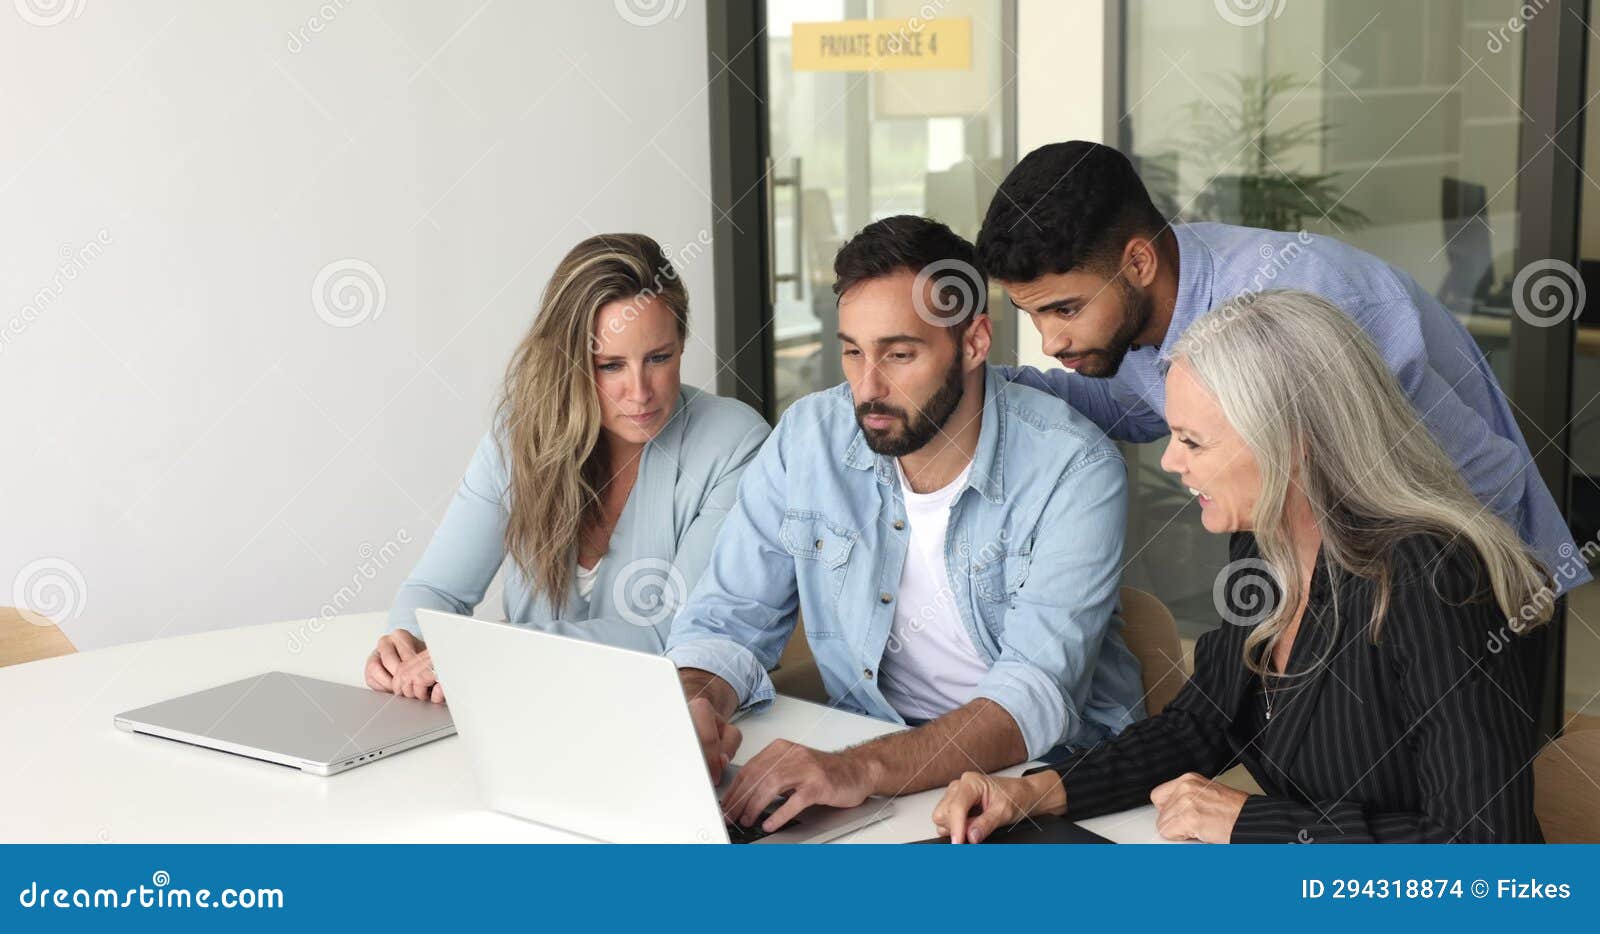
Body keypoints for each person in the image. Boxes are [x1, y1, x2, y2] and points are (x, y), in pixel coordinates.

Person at [932, 290, 1551, 844]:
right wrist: (1035, 790)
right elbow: (1199, 726)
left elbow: (1486, 850)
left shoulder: (1435, 578)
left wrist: (1248, 822)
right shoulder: (1263, 545)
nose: (1171, 462)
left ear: (1293, 442)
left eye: (1193, 441)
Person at [665, 215, 1146, 836]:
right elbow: (728, 617)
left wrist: (859, 768)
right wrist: (695, 704)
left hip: (1038, 780)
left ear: (974, 343)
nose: (867, 388)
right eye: (851, 351)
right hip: (874, 765)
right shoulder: (808, 439)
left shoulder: (1073, 467)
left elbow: (1034, 695)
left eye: (898, 354)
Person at [979, 140, 1585, 592]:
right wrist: (972, 385)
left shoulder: (1308, 303)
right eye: (1032, 315)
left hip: (1473, 582)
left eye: (1065, 309)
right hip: (1330, 584)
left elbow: (1476, 479)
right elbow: (1126, 407)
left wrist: (1450, 633)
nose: (1051, 341)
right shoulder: (1140, 313)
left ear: (1137, 262)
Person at [364, 233, 769, 702]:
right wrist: (405, 640)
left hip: (653, 718)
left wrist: (491, 651)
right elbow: (438, 588)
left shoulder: (734, 442)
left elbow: (677, 634)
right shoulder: (518, 437)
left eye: (658, 358)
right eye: (610, 366)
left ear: (681, 344)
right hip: (524, 712)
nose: (640, 392)